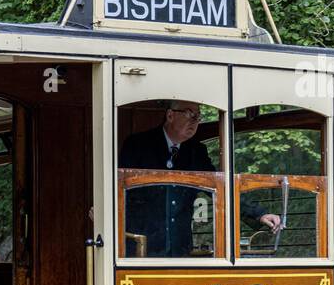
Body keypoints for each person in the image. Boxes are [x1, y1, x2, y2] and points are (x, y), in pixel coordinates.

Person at [119, 100, 280, 257]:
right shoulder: (138, 145)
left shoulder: (196, 151)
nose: (196, 121)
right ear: (170, 115)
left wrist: (259, 215)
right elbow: (117, 187)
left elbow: (219, 189)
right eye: (190, 114)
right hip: (140, 249)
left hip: (179, 249)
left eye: (198, 116)